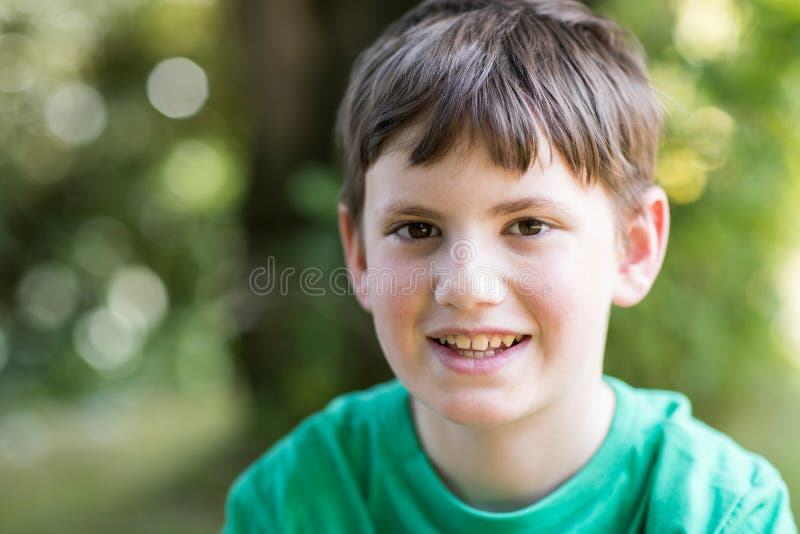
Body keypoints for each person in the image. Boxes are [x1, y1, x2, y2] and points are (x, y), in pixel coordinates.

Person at [224, 0, 797, 531]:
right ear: (360, 255)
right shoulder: (291, 501)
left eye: (528, 226)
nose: (467, 287)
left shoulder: (721, 513)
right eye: (417, 229)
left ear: (634, 247)